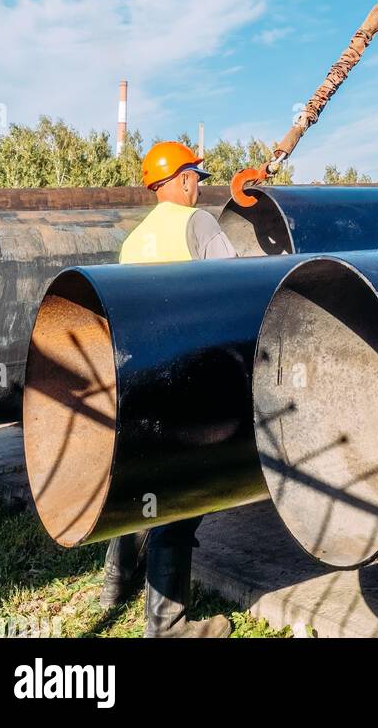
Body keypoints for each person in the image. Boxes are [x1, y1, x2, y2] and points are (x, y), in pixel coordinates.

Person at [101, 141, 238, 638]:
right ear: (181, 180)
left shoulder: (132, 241)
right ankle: (169, 626)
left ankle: (115, 584)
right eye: (194, 177)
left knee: (144, 484)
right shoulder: (197, 223)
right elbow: (236, 288)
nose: (197, 184)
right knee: (183, 496)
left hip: (144, 378)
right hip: (192, 379)